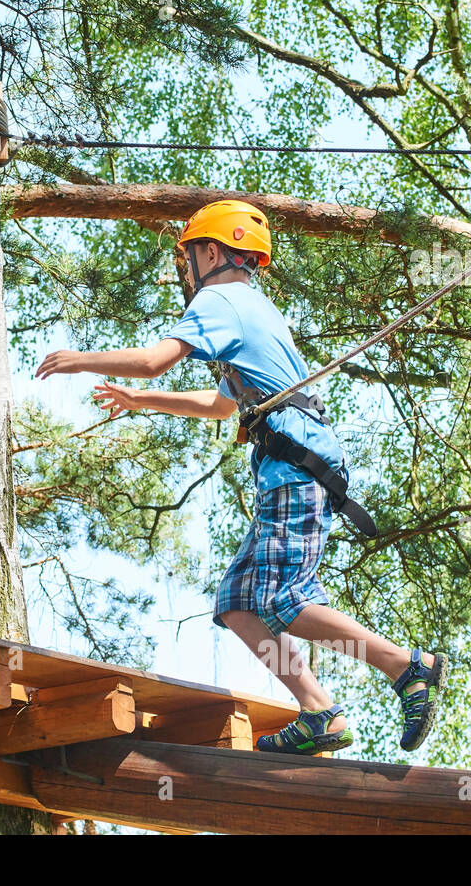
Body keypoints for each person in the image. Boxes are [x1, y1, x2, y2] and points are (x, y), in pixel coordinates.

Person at [35, 199, 446, 754]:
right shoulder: (252, 308)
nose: (186, 273)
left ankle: (407, 665)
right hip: (291, 465)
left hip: (297, 465)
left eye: (187, 260)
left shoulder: (219, 299)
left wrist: (81, 358)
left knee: (281, 598)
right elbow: (221, 404)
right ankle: (320, 713)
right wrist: (139, 400)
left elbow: (158, 357)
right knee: (237, 601)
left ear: (210, 251)